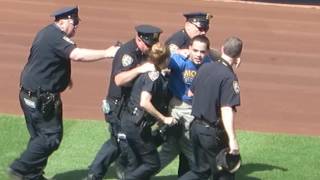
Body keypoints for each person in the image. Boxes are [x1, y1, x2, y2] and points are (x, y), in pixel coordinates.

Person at [8, 6, 119, 180]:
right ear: (62, 21)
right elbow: (77, 55)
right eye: (74, 22)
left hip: (30, 93)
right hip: (40, 97)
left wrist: (63, 78)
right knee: (50, 137)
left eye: (77, 23)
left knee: (39, 137)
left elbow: (46, 60)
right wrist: (107, 53)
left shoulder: (47, 33)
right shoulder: (56, 37)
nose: (76, 26)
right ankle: (21, 168)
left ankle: (32, 174)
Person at [86, 24, 163, 180]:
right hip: (118, 106)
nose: (149, 48)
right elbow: (119, 80)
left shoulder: (143, 50)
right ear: (138, 39)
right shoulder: (128, 53)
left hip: (127, 105)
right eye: (147, 45)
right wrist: (140, 69)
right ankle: (125, 173)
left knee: (116, 142)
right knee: (127, 144)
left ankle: (94, 173)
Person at [179, 36, 243, 180]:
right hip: (211, 133)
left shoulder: (206, 67)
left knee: (200, 172)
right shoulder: (229, 77)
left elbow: (191, 92)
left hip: (195, 127)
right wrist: (232, 139)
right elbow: (226, 109)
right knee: (225, 173)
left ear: (222, 49)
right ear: (238, 56)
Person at [120, 42, 177, 180]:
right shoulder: (154, 76)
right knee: (152, 164)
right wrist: (163, 119)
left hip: (130, 120)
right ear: (166, 59)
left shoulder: (151, 72)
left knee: (136, 162)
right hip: (137, 124)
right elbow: (144, 102)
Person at [157, 35, 211, 175]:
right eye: (195, 50)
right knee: (190, 147)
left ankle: (141, 173)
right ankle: (201, 172)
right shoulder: (180, 60)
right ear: (189, 49)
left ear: (207, 52)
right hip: (180, 107)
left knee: (172, 149)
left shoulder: (209, 64)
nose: (199, 55)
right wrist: (175, 51)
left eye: (202, 52)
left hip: (197, 109)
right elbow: (159, 59)